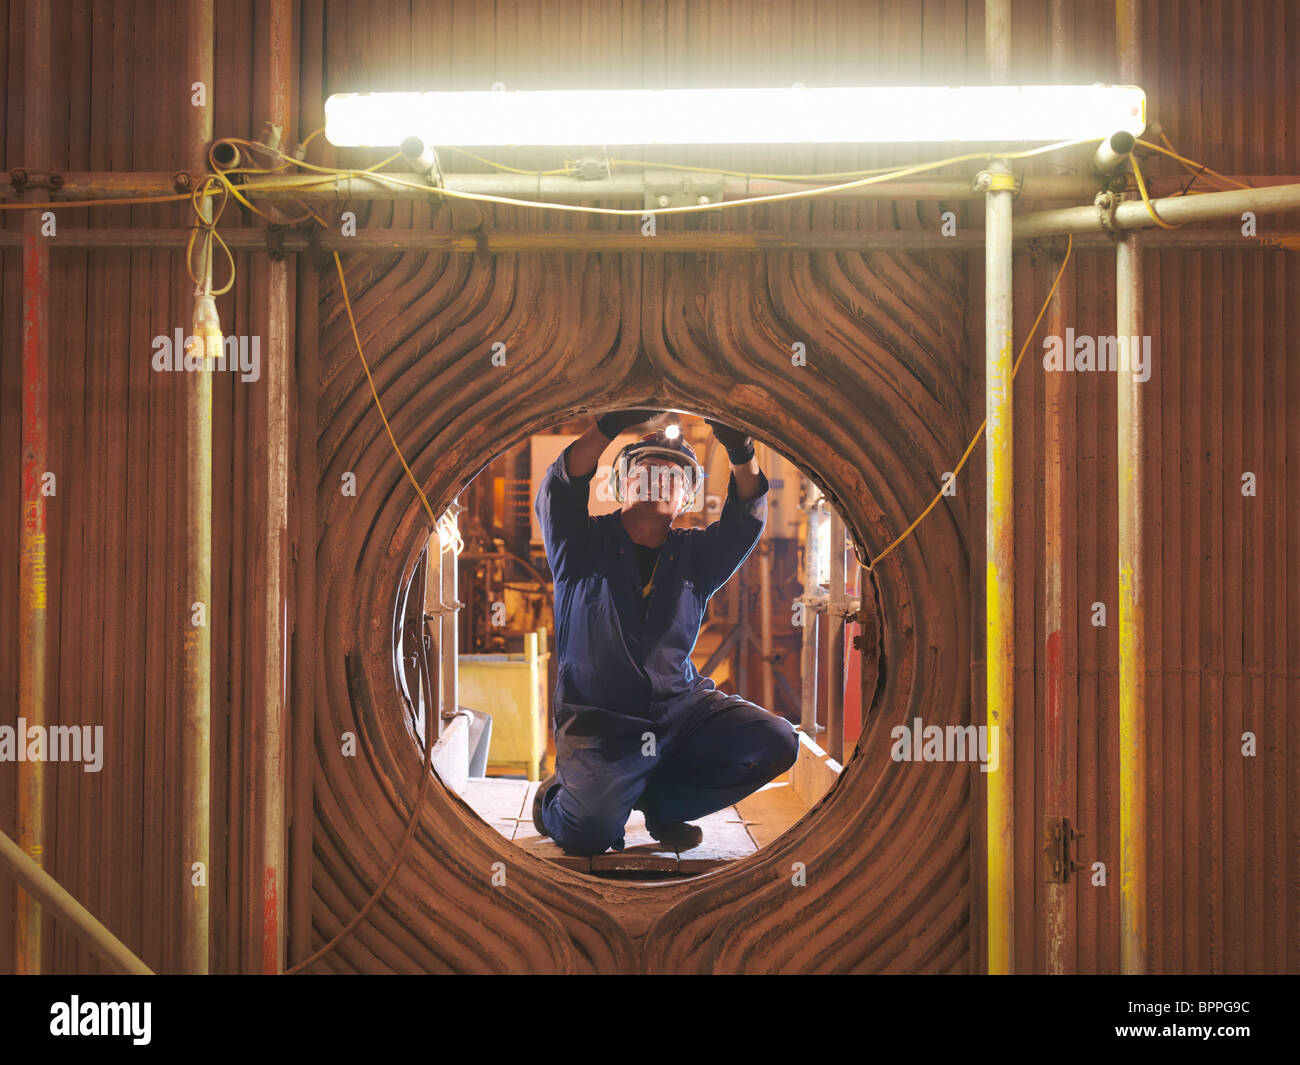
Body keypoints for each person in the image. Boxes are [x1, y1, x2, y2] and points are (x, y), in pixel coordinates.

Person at [531, 408, 799, 856]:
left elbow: (745, 519)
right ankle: (555, 800)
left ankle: (663, 805)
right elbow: (562, 485)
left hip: (678, 711)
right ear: (622, 484)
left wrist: (741, 450)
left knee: (777, 740)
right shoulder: (577, 545)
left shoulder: (697, 555)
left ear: (687, 497)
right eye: (648, 470)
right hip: (600, 722)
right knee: (591, 834)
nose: (661, 479)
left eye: (674, 474)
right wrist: (611, 423)